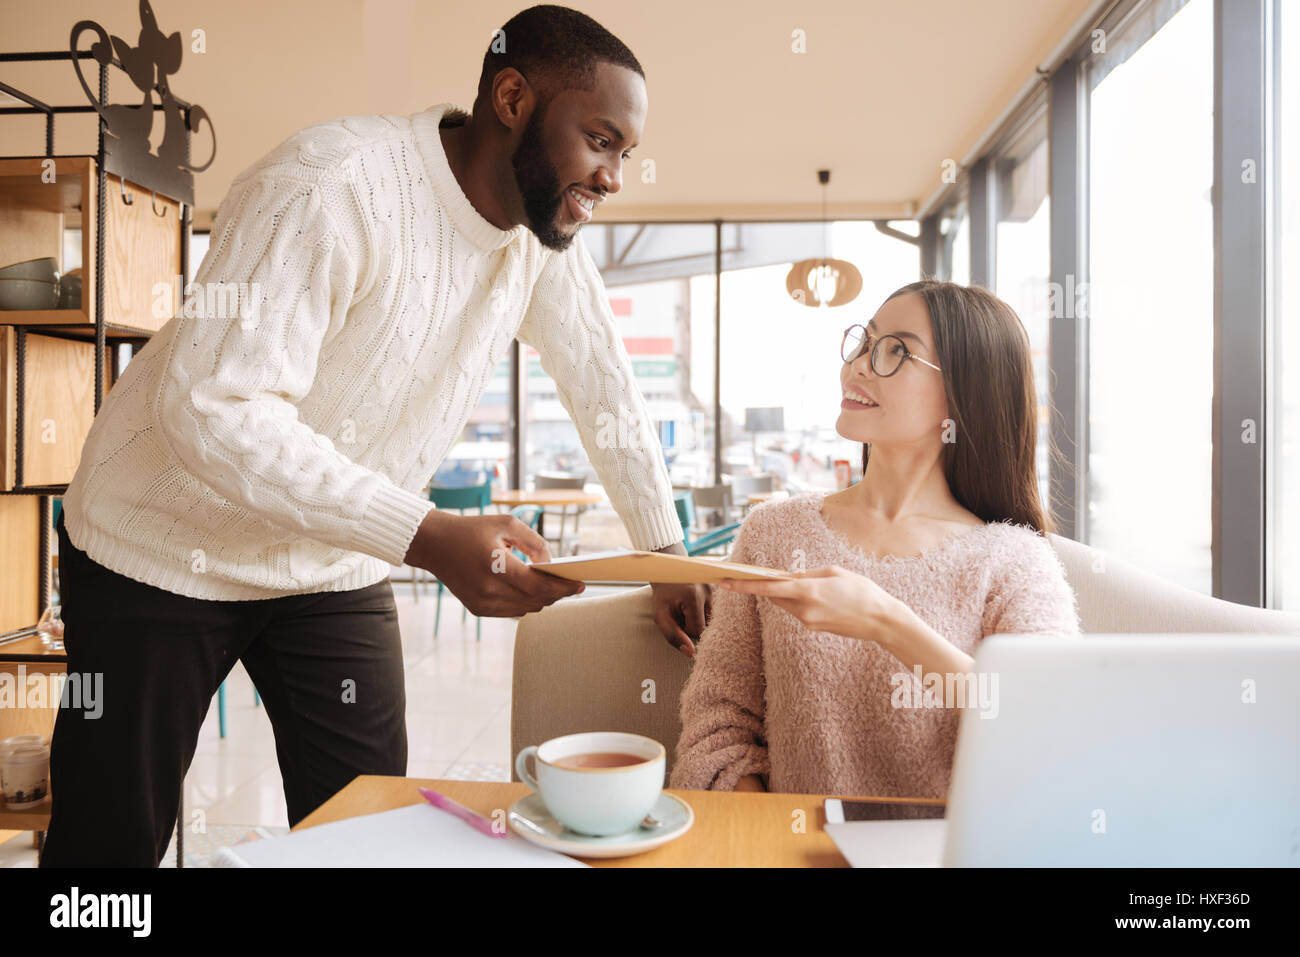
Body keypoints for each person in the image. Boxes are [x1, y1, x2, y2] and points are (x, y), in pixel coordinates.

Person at [42, 4, 707, 867]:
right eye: (602, 139)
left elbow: (600, 379)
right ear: (513, 97)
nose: (615, 175)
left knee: (365, 836)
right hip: (160, 547)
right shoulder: (330, 184)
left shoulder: (542, 238)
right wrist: (426, 535)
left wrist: (665, 551)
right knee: (110, 843)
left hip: (330, 558)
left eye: (627, 153)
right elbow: (211, 405)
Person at [669, 280, 1081, 798]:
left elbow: (1050, 730)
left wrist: (888, 625)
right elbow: (719, 729)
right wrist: (771, 843)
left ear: (964, 395)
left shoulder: (1014, 560)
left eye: (896, 351)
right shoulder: (774, 533)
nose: (859, 365)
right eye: (865, 342)